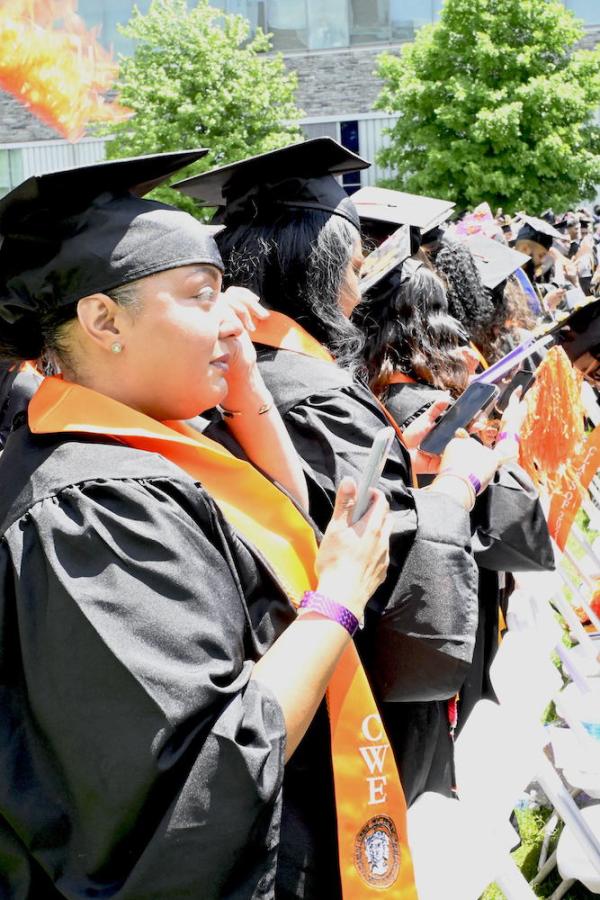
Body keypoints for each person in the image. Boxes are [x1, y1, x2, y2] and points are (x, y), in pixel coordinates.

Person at [0, 150, 416, 899]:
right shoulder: (91, 512)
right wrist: (336, 603)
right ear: (103, 320)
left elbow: (290, 532)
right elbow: (207, 771)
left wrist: (246, 388)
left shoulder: (146, 441)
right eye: (199, 295)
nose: (233, 316)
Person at [175, 137, 503, 803]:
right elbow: (386, 562)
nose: (359, 292)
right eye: (352, 269)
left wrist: (403, 462)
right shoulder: (309, 390)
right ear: (314, 275)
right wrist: (456, 486)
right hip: (329, 696)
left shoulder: (234, 377)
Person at [354, 252, 554, 748]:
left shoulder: (359, 406)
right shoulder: (438, 416)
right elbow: (521, 542)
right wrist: (504, 455)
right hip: (445, 623)